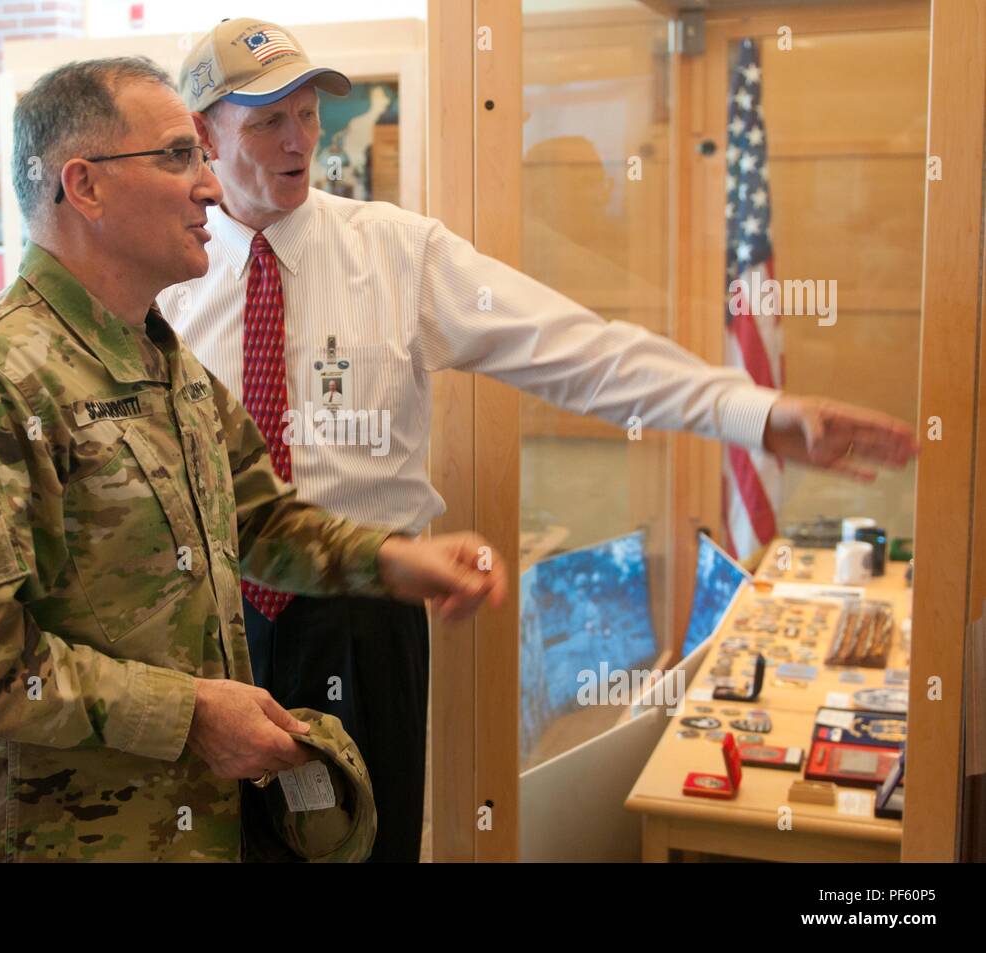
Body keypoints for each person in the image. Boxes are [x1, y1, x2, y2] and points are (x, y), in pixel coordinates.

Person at [158, 17, 919, 862]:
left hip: (364, 619)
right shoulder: (162, 278)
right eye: (268, 120)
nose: (300, 140)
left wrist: (751, 411)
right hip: (206, 618)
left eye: (308, 113)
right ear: (202, 133)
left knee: (370, 846)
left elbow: (579, 350)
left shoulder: (397, 253)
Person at [0, 56, 505, 863]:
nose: (210, 185)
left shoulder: (163, 361)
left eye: (203, 154)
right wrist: (191, 713)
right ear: (85, 187)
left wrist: (400, 560)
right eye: (177, 156)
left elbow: (262, 521)